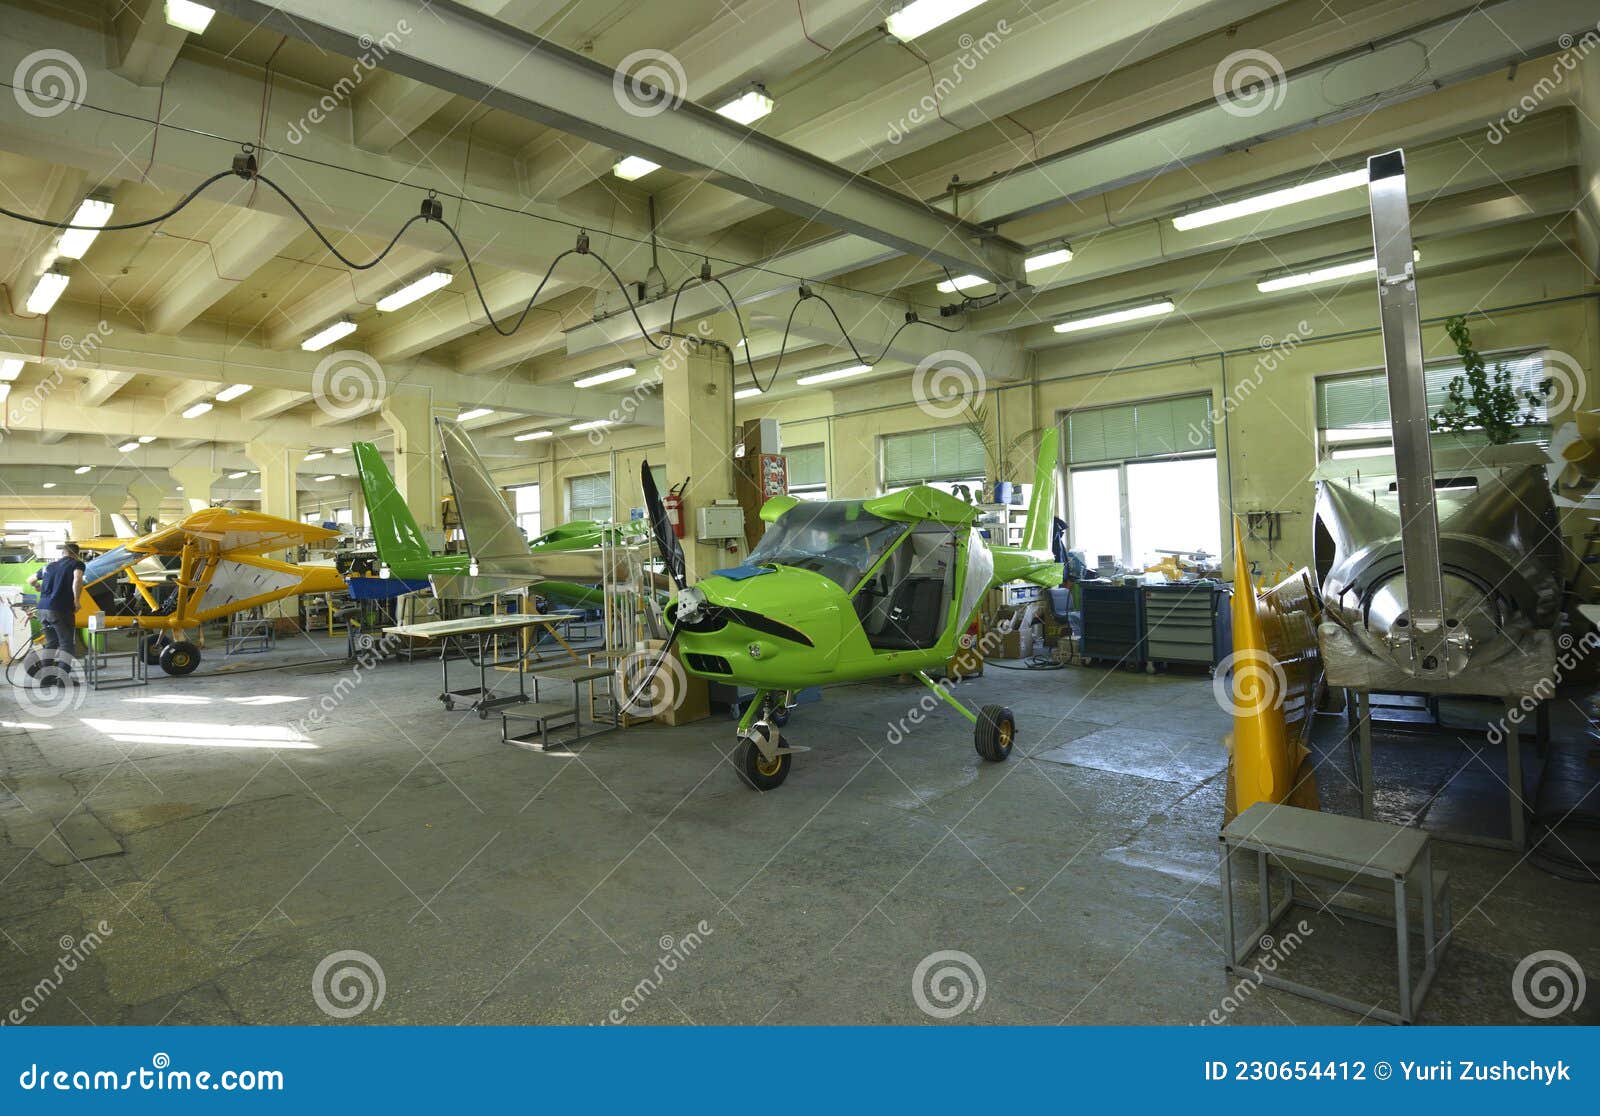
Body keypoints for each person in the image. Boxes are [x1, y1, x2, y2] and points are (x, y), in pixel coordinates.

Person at [27, 541, 86, 686]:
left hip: (42, 610)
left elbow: (30, 580)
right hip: (60, 609)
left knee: (51, 643)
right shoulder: (77, 564)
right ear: (76, 554)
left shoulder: (49, 566)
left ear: (63, 553)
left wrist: (37, 587)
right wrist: (77, 600)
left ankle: (46, 678)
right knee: (67, 644)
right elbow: (77, 579)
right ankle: (62, 679)